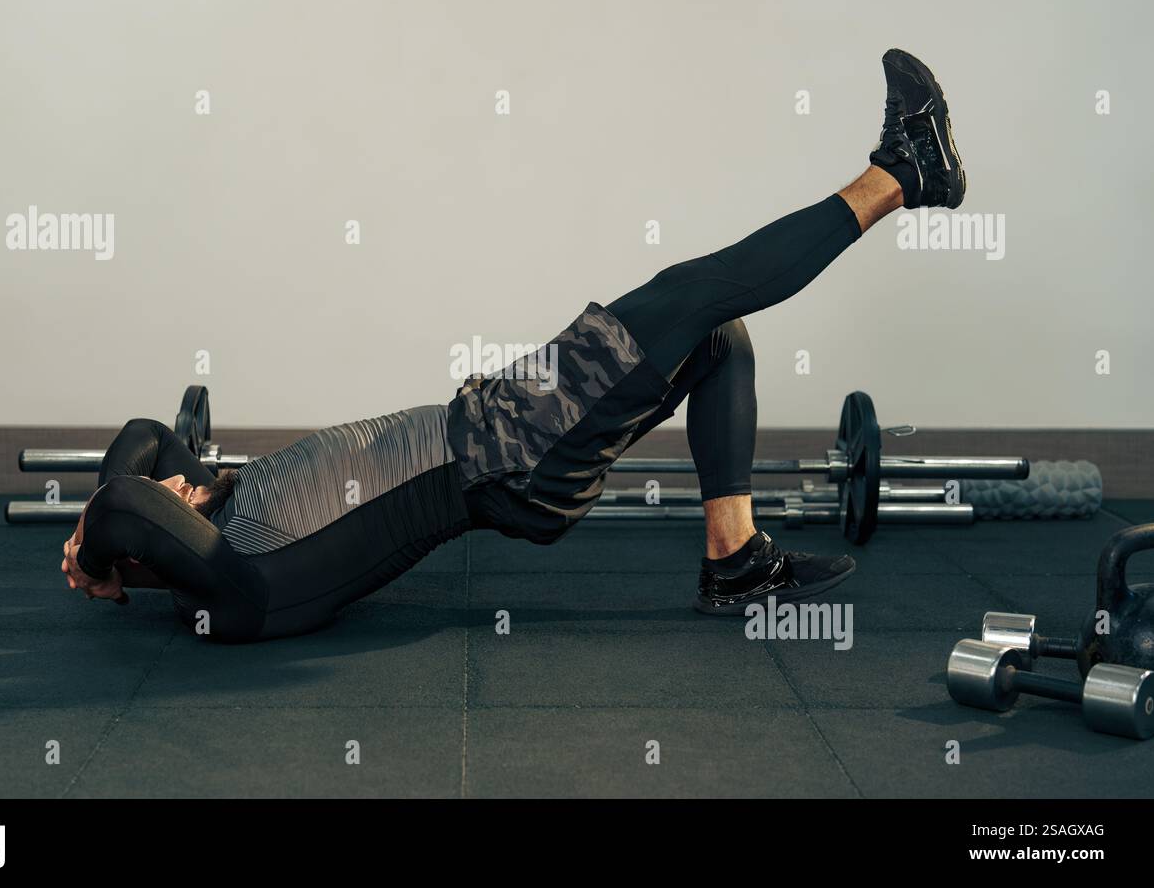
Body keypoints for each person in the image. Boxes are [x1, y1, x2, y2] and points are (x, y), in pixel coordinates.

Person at [61, 48, 965, 642]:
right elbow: (125, 508)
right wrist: (98, 548)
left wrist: (111, 529)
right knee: (697, 292)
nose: (176, 483)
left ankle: (736, 562)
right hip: (509, 453)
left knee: (715, 334)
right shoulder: (236, 581)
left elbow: (144, 438)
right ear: (161, 555)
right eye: (168, 505)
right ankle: (901, 175)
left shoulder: (222, 501)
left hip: (497, 426)